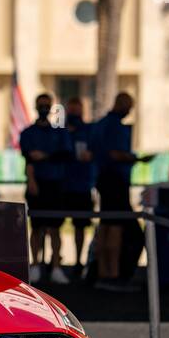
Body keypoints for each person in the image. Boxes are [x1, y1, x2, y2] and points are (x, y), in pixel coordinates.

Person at [89, 92, 153, 291]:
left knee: (106, 225)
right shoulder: (114, 126)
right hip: (115, 180)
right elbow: (115, 154)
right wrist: (136, 159)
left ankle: (102, 273)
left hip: (102, 179)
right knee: (115, 227)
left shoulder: (99, 125)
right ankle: (113, 275)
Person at [20, 93, 71, 285]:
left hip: (55, 184)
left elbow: (65, 155)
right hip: (37, 185)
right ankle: (35, 265)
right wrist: (32, 180)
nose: (43, 108)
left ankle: (56, 266)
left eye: (46, 105)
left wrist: (45, 156)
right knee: (37, 227)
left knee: (55, 228)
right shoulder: (28, 133)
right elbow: (30, 158)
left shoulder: (59, 132)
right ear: (35, 106)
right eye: (40, 105)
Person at [62, 97, 95, 275]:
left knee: (80, 225)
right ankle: (54, 262)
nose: (74, 112)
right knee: (53, 224)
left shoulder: (88, 131)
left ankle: (78, 261)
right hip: (61, 184)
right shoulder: (60, 131)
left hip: (82, 186)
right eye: (71, 109)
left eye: (77, 109)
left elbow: (95, 151)